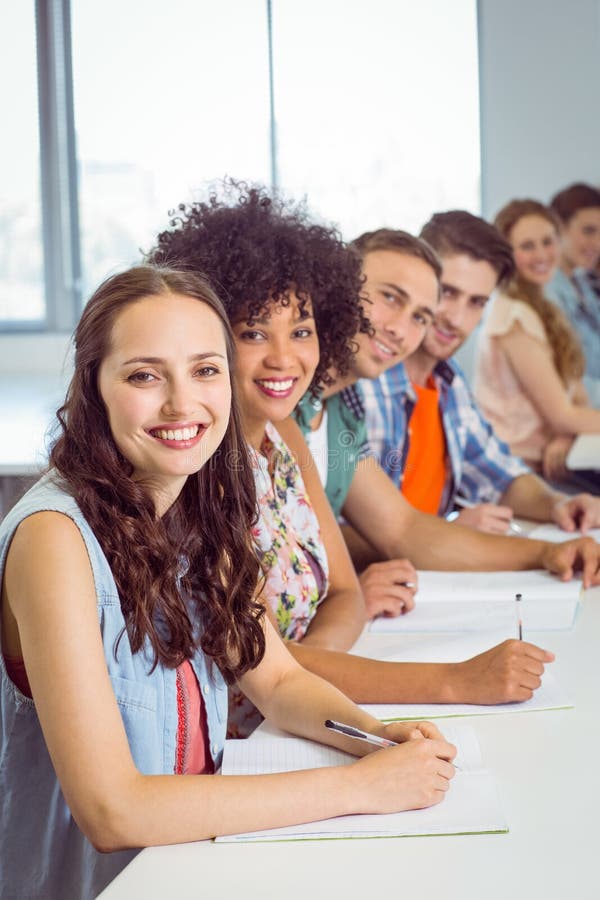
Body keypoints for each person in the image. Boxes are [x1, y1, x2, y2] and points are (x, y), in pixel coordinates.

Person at [0, 266, 457, 900]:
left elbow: (278, 680)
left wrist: (374, 739)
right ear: (93, 387)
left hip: (196, 869)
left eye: (205, 370)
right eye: (144, 375)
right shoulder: (54, 539)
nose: (182, 404)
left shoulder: (194, 506)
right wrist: (362, 789)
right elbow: (113, 812)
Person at [151, 184, 559, 731]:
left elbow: (347, 592)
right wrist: (454, 679)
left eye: (301, 330)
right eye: (252, 332)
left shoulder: (287, 431)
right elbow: (270, 663)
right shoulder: (193, 465)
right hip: (236, 746)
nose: (282, 356)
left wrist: (303, 674)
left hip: (296, 717)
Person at [359, 214, 600, 535]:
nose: (456, 320)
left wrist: (557, 504)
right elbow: (336, 530)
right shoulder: (364, 387)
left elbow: (499, 475)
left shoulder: (449, 382)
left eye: (476, 302)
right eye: (447, 293)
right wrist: (449, 527)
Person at [474, 199, 600, 490]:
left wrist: (566, 433)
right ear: (507, 254)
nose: (542, 254)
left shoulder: (543, 304)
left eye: (547, 241)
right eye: (527, 246)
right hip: (520, 473)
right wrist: (565, 426)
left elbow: (576, 392)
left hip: (554, 458)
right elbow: (562, 414)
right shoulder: (513, 316)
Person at [546, 183, 600, 406]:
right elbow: (562, 380)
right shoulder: (547, 294)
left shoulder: (582, 283)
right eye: (588, 231)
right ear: (558, 229)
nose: (597, 243)